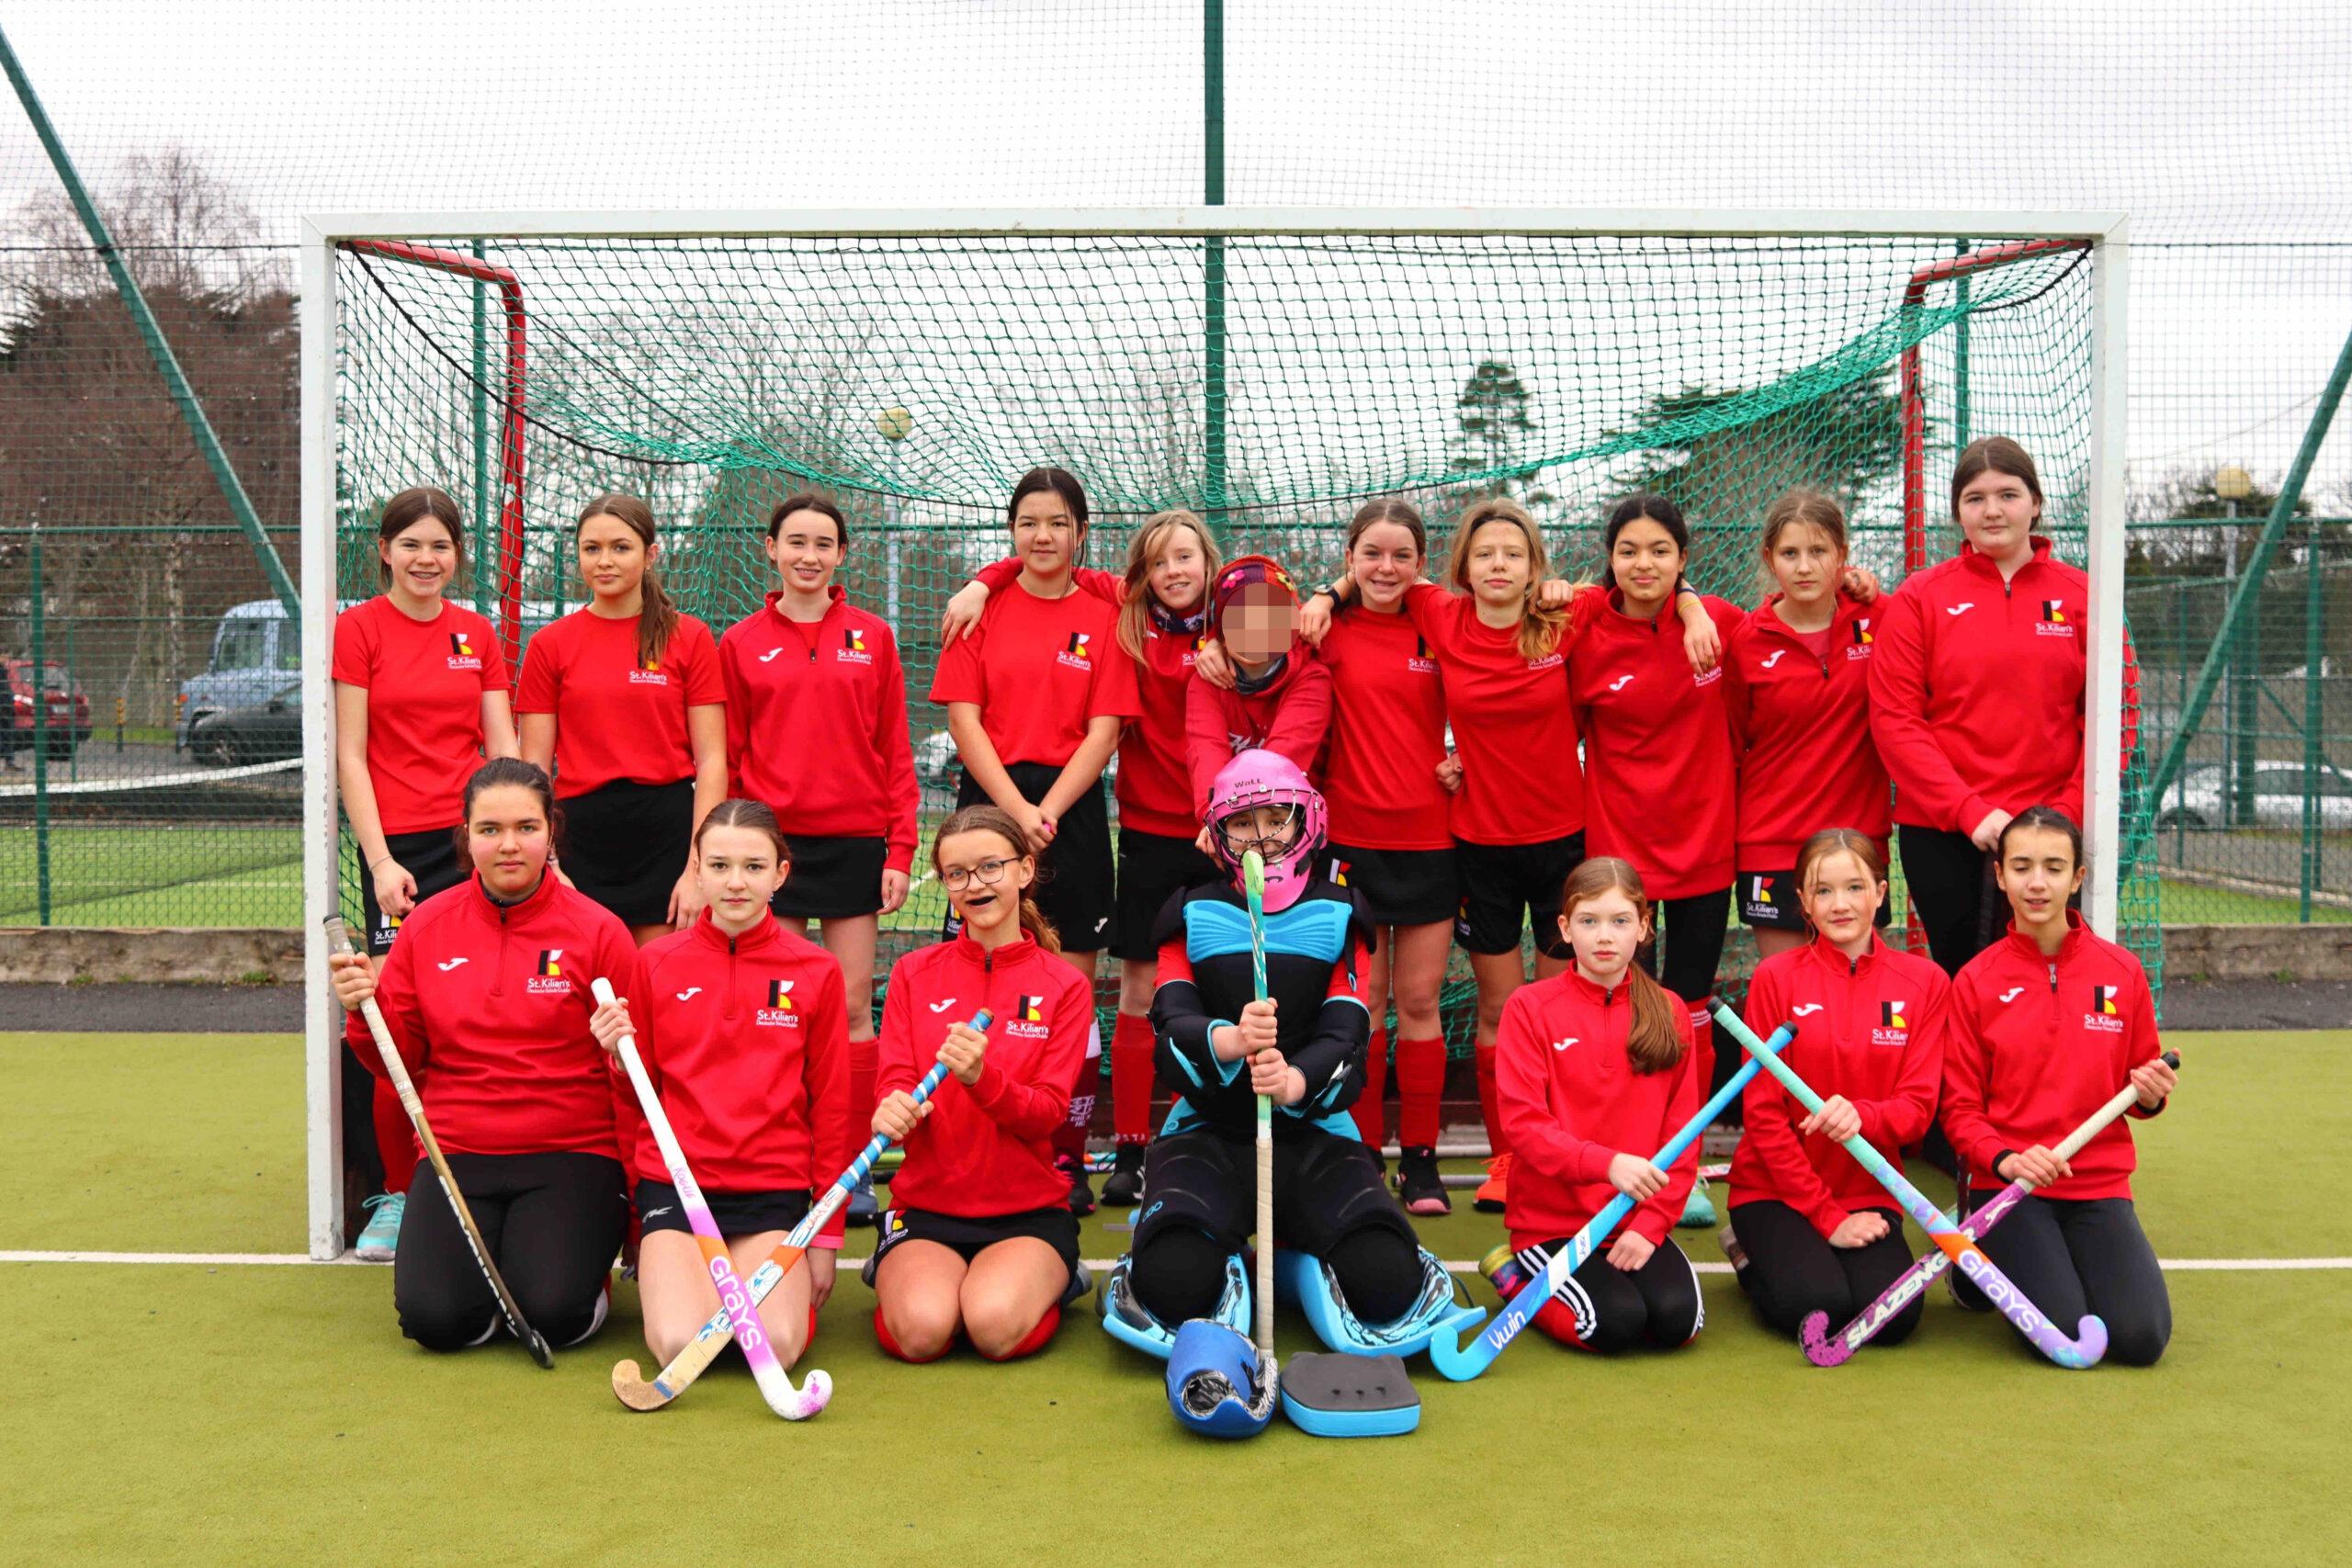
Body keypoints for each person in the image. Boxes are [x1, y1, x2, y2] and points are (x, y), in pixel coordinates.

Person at [1298, 496, 1714, 1213]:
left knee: (1565, 1011)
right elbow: (1373, 572)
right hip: (1477, 847)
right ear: (1462, 566)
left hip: (1562, 848)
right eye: (1486, 553)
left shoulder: (1567, 615)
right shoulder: (1439, 613)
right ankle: (1506, 1159)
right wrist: (1324, 590)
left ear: (1533, 567)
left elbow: (1644, 579)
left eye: (1514, 555)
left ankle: (1577, 1158)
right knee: (1500, 1009)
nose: (1498, 565)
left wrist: (1694, 606)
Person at [940, 509, 1226, 1206]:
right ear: (1140, 573)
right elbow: (1045, 561)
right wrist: (984, 577)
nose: (1173, 572)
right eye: (1159, 562)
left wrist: (1320, 597)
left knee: (1230, 987)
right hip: (1150, 828)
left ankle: (1216, 1136)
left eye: (1186, 558)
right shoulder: (1124, 606)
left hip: (1229, 832)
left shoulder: (1241, 618)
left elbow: (1294, 668)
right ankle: (1125, 1148)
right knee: (1132, 989)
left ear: (1209, 563)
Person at [325, 758, 638, 1352]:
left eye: (526, 827)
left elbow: (637, 1077)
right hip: (457, 1151)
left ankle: (562, 1273)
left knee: (554, 1312)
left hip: (571, 1150)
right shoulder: (425, 928)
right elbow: (399, 1061)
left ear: (552, 833)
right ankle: (493, 1278)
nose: (509, 844)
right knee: (434, 1322)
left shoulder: (599, 932)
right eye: (489, 829)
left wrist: (640, 1215)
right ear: (465, 836)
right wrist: (363, 1009)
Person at [1128, 750, 1426, 1337]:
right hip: (1208, 1130)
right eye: (1241, 823)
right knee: (1172, 1284)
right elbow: (1169, 1030)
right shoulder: (1190, 912)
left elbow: (1348, 1034)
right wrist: (1230, 1040)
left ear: (1305, 820)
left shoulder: (1341, 915)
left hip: (1314, 1133)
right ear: (1218, 832)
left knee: (1388, 1282)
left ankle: (1291, 1265)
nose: (1259, 839)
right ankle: (1229, 1265)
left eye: (1275, 818)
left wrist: (1296, 1081)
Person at [930, 468, 1140, 1214]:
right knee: (980, 979)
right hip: (990, 801)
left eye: (1057, 522)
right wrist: (1014, 808)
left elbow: (1105, 729)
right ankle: (970, 1149)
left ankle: (1065, 1159)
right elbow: (963, 718)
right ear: (1012, 533)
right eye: (1028, 523)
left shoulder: (1107, 609)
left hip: (1070, 809)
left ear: (1081, 532)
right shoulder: (978, 609)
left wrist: (1046, 809)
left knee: (1067, 995)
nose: (1042, 536)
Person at [584, 798, 854, 1371]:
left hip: (772, 1196)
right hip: (678, 1193)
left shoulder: (816, 971)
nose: (736, 883)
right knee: (680, 1344)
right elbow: (636, 1100)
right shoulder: (655, 962)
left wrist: (825, 1238)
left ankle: (762, 1286)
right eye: (720, 865)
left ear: (781, 874)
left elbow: (832, 1107)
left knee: (775, 1347)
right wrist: (615, 1058)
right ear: (698, 870)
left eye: (754, 867)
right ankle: (696, 1281)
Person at [718, 491, 918, 1223]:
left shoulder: (873, 636)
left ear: (843, 555)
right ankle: (784, 1156)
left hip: (856, 841)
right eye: (795, 541)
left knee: (851, 1006)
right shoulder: (739, 642)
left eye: (823, 543)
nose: (809, 554)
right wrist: (742, 854)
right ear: (770, 548)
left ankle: (853, 1164)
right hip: (774, 849)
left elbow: (896, 751)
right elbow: (733, 755)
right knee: (778, 1008)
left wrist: (899, 846)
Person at [332, 485, 518, 1262]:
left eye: (440, 546)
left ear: (456, 555)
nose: (426, 559)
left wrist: (519, 842)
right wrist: (380, 860)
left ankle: (487, 1170)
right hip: (400, 850)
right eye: (411, 544)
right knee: (391, 1021)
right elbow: (352, 751)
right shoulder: (358, 628)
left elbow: (504, 749)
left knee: (483, 1008)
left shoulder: (477, 634)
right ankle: (396, 1195)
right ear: (384, 549)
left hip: (475, 841)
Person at [1869, 436, 2136, 976]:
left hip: (2054, 833)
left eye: (2008, 494)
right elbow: (1896, 720)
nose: (1992, 510)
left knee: (2052, 976)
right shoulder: (1920, 597)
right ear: (1958, 512)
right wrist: (1971, 812)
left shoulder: (2087, 596)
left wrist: (2063, 816)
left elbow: (2115, 720)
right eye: (1975, 498)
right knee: (1961, 979)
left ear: (2035, 503)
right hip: (1945, 834)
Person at [1940, 807, 2177, 1366]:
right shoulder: (1976, 980)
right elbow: (1959, 1111)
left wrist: (2151, 1093)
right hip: (2010, 1189)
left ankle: (2024, 1263)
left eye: (2054, 867)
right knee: (2066, 1331)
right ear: (2000, 875)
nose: (2037, 882)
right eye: (2022, 866)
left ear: (2077, 877)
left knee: (2140, 1338)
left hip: (2097, 1185)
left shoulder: (2120, 973)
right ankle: (1976, 1257)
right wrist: (2007, 1160)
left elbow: (2144, 1087)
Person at [865, 806, 1091, 1361]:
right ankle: (902, 1270)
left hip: (1028, 1212)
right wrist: (890, 1109)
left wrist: (980, 1079)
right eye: (957, 874)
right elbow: (894, 1076)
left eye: (991, 867)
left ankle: (1056, 1277)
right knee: (920, 1334)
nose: (975, 885)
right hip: (926, 1209)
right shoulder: (913, 973)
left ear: (1023, 870)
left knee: (991, 1328)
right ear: (943, 883)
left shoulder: (1065, 984)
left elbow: (1046, 1115)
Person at [1569, 495, 1747, 1170]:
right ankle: (1630, 1147)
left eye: (1660, 550)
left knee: (1692, 1000)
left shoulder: (1720, 624)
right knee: (1629, 1005)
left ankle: (1684, 1155)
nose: (1644, 563)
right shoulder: (1583, 635)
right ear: (1610, 560)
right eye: (1629, 550)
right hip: (1620, 856)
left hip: (1705, 844)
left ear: (1683, 557)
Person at [1725, 829, 1946, 1346]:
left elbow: (1916, 1110)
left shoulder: (1926, 982)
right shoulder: (1776, 978)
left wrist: (1862, 1116)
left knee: (1893, 1319)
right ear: (1802, 901)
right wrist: (1824, 1215)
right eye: (1823, 891)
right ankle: (1744, 1249)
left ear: (1880, 891)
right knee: (1814, 1304)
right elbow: (1761, 1115)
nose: (1840, 904)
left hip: (1870, 1189)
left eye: (1854, 887)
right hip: (1774, 1190)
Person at [1483, 857, 1706, 1354]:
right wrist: (1609, 1164)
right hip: (1555, 1225)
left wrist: (1650, 1228)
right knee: (1612, 1325)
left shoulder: (1669, 1010)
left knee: (1678, 1323)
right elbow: (1524, 1126)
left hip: (1633, 1219)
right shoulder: (1530, 1008)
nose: (1604, 936)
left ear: (1644, 927)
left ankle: (1624, 1263)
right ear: (1565, 928)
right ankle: (1515, 1280)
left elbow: (1682, 1136)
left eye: (1620, 921)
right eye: (1589, 921)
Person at [1310, 501, 1458, 1213]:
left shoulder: (1440, 624)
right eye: (1371, 553)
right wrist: (1322, 593)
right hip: (1349, 841)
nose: (1386, 568)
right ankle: (1363, 1151)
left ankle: (1421, 1159)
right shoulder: (1324, 627)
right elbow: (1240, 636)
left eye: (1402, 555)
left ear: (1421, 564)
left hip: (1432, 839)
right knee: (1365, 1002)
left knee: (1420, 1000)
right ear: (1349, 557)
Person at [518, 493, 726, 946]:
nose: (604, 561)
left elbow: (712, 762)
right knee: (587, 994)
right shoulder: (550, 645)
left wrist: (697, 869)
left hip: (666, 835)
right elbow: (533, 770)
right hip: (580, 836)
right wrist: (548, 860)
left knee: (659, 991)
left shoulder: (689, 638)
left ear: (650, 555)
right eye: (591, 548)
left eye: (621, 547)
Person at [1723, 491, 1891, 964]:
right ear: (1769, 559)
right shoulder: (1747, 641)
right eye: (1790, 553)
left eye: (1818, 552)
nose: (1804, 567)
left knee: (1855, 993)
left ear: (1842, 555)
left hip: (1858, 841)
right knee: (1788, 993)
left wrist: (1873, 590)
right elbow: (1732, 743)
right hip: (1771, 844)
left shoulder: (1881, 620)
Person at [1182, 553, 1332, 825]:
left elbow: (1279, 762)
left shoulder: (1312, 677)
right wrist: (1214, 819)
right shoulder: (1206, 682)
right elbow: (1206, 754)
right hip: (1231, 822)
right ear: (1222, 632)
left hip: (1290, 823)